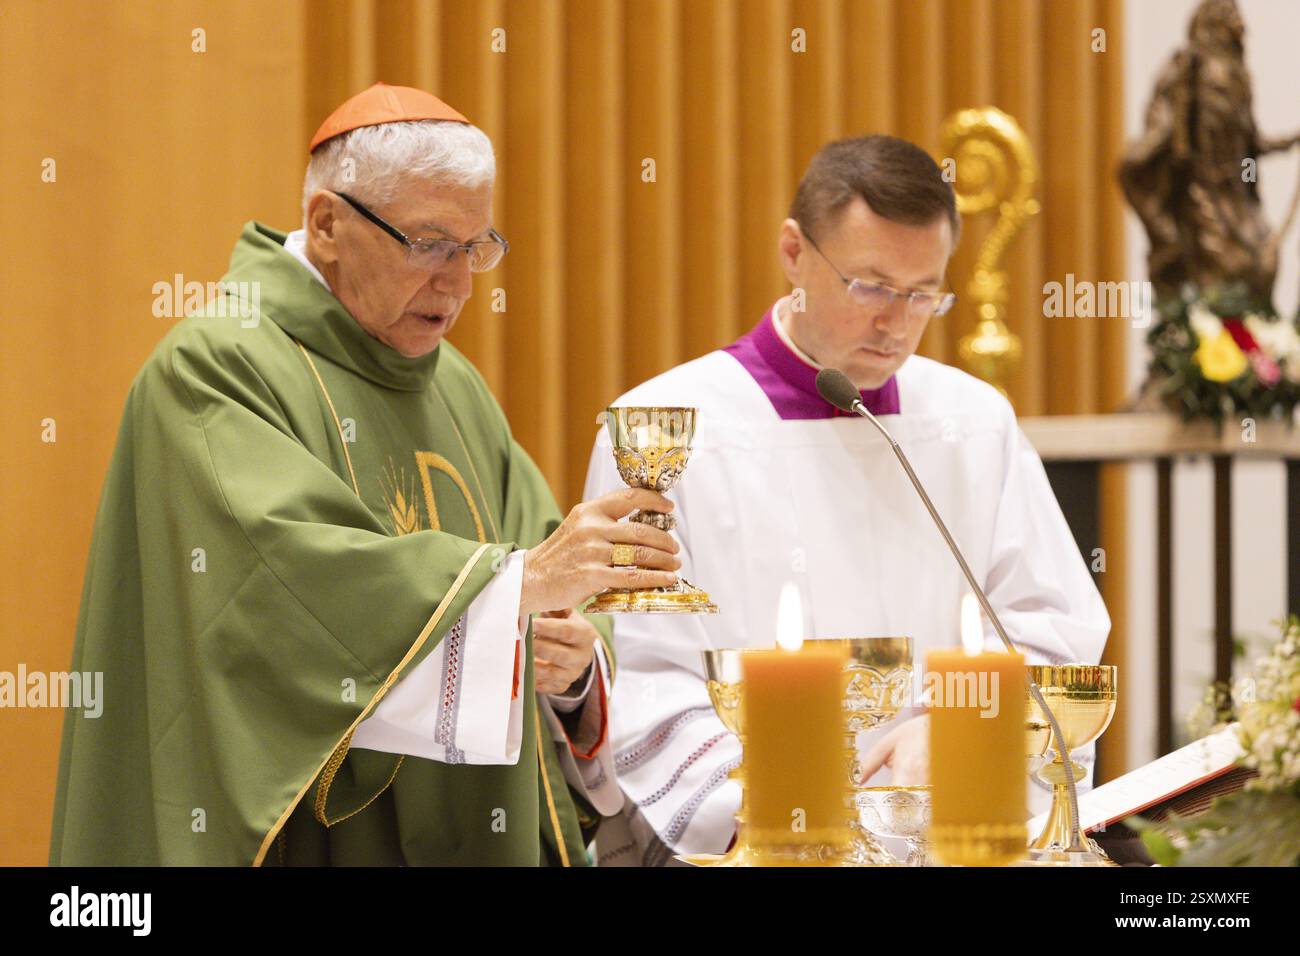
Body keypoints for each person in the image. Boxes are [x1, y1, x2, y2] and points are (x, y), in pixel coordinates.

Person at [49, 83, 682, 866]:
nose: (458, 284)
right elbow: (277, 601)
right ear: (328, 227)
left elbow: (545, 574)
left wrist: (571, 667)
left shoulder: (455, 389)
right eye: (428, 244)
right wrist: (513, 588)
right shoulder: (214, 369)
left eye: (477, 247)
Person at [585, 134, 1110, 865]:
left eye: (924, 293)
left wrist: (961, 729)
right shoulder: (661, 430)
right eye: (869, 286)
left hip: (954, 833)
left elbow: (1051, 625)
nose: (896, 323)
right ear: (794, 253)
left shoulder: (973, 419)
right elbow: (643, 673)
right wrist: (790, 815)